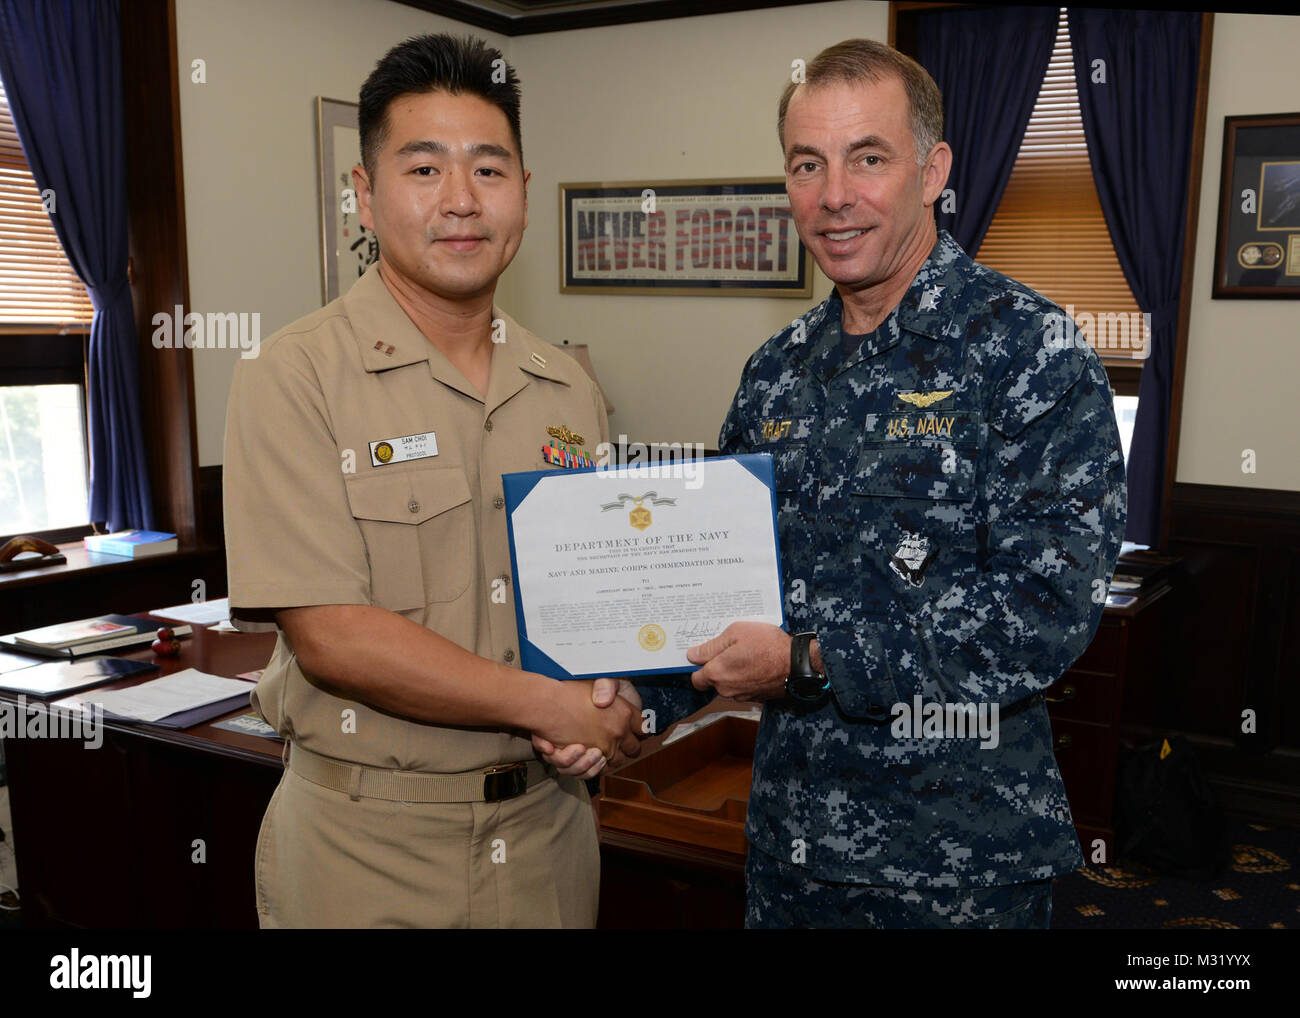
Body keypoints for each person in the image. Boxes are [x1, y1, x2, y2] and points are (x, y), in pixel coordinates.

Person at [539, 38, 1126, 928]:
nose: (835, 196)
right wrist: (625, 705)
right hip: (789, 851)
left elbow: (1042, 615)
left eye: (868, 159)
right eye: (808, 164)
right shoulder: (775, 372)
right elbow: (716, 584)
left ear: (932, 172)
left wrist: (811, 659)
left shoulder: (1031, 354)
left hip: (958, 871)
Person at [223, 33, 642, 929]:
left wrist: (617, 700)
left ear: (524, 194)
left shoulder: (568, 386)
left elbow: (599, 604)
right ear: (365, 196)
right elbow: (335, 637)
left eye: (489, 170)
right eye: (423, 169)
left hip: (549, 836)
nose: (460, 201)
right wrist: (552, 703)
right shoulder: (293, 375)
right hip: (369, 846)